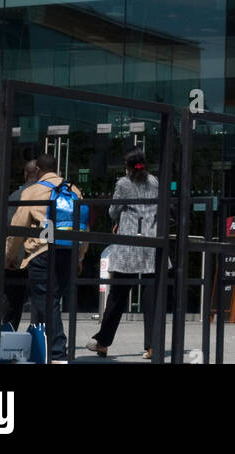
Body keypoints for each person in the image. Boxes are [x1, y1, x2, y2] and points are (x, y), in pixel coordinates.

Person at [5, 153, 87, 364]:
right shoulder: (74, 190)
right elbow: (84, 225)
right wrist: (79, 256)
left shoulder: (33, 191)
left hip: (43, 252)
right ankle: (47, 349)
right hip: (68, 251)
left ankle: (58, 353)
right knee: (54, 302)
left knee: (47, 303)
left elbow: (18, 227)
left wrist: (9, 256)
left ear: (39, 171)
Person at [86, 149, 161, 360]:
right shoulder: (154, 181)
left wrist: (119, 219)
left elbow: (113, 211)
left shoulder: (123, 183)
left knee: (117, 297)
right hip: (150, 242)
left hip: (129, 243)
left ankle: (102, 343)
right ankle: (152, 346)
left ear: (128, 166)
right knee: (151, 297)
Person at [2, 158, 40, 330]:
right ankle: (39, 337)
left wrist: (9, 256)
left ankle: (8, 332)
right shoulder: (49, 195)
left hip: (19, 258)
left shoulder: (15, 197)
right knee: (40, 301)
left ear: (25, 174)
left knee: (13, 301)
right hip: (41, 256)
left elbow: (11, 230)